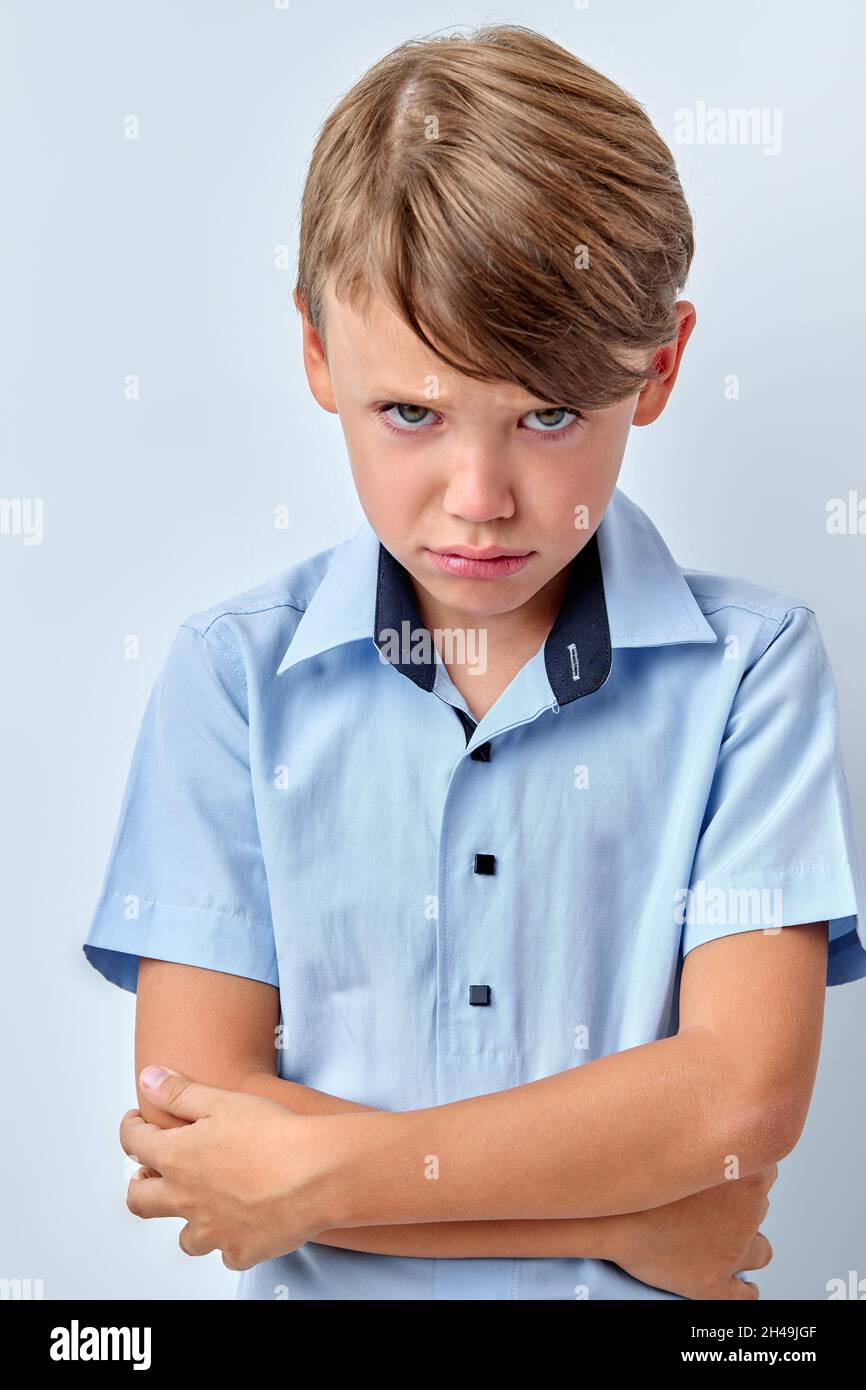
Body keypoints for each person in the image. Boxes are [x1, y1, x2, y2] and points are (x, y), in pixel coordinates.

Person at [83, 23, 865, 1301]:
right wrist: (627, 1225)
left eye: (547, 415)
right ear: (318, 354)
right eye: (411, 413)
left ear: (656, 367)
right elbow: (197, 1141)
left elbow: (735, 1098)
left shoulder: (749, 676)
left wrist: (318, 1177)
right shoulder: (231, 678)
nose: (480, 497)